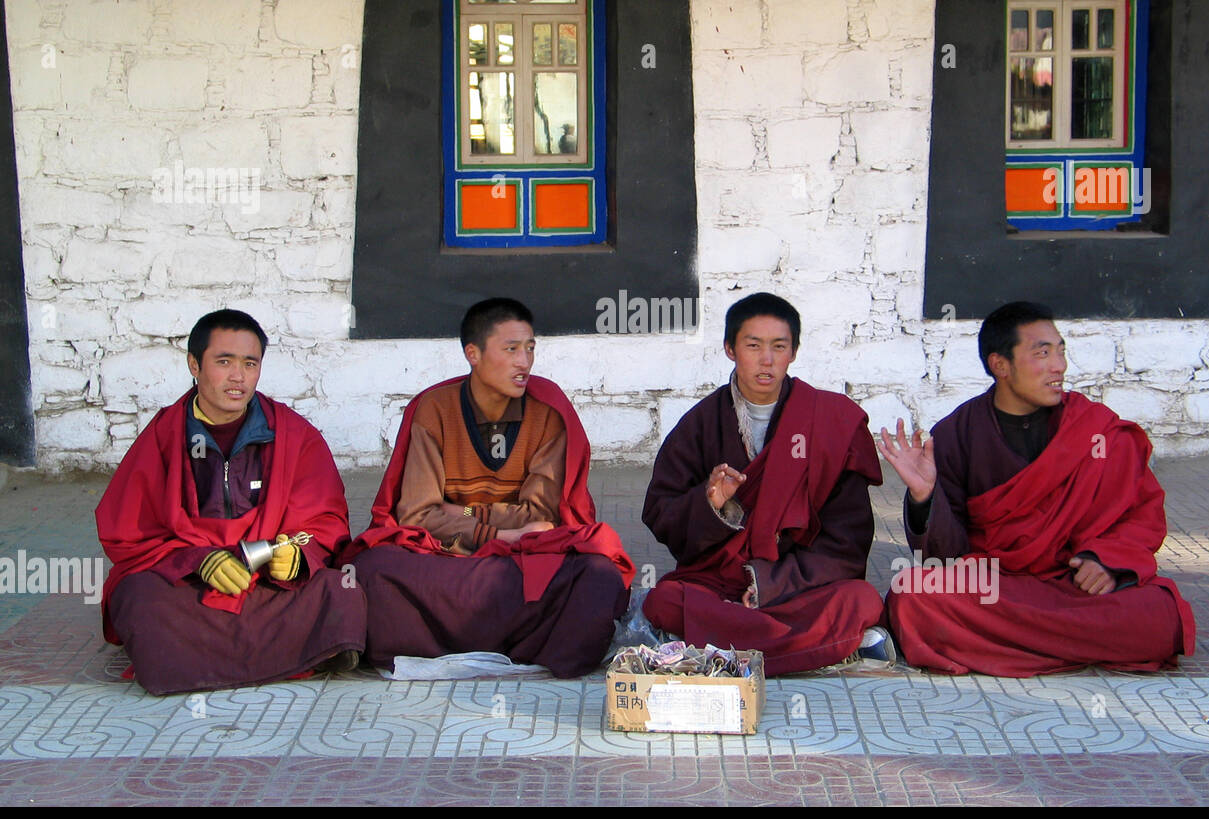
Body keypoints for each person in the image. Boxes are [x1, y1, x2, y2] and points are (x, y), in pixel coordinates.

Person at [878, 300, 1196, 676]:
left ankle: (994, 646)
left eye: (1060, 351)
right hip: (996, 584)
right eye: (1042, 353)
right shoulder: (957, 436)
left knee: (1159, 614)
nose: (1059, 366)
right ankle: (1071, 648)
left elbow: (1140, 516)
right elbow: (945, 558)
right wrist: (925, 496)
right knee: (914, 594)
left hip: (1073, 586)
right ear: (1001, 365)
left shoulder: (1097, 431)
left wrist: (1106, 561)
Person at [343, 298, 634, 678]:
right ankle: (519, 641)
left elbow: (542, 517)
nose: (524, 362)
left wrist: (459, 512)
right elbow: (415, 515)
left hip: (518, 560)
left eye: (530, 348)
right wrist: (498, 532)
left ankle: (440, 640)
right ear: (473, 354)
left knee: (598, 575)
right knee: (371, 569)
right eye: (511, 349)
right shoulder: (434, 409)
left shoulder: (548, 412)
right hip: (446, 558)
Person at [96, 309, 366, 695]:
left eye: (249, 364)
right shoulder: (164, 435)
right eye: (224, 362)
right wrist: (197, 559)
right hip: (190, 582)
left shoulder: (292, 434)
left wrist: (297, 556)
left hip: (265, 579)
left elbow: (324, 521)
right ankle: (298, 654)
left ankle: (200, 660)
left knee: (343, 589)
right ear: (194, 363)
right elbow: (128, 533)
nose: (238, 377)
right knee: (138, 597)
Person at [640, 293, 889, 675]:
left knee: (862, 598)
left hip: (799, 584)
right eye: (753, 346)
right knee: (665, 600)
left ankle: (726, 647)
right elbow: (660, 513)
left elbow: (848, 538)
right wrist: (711, 506)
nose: (766, 360)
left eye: (779, 346)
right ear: (730, 349)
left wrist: (771, 583)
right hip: (722, 583)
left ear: (794, 352)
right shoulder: (701, 424)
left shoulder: (829, 421)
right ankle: (830, 645)